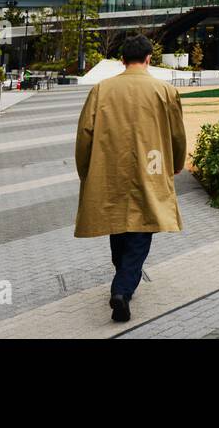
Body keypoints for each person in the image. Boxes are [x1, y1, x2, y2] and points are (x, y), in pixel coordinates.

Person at [74, 33, 186, 324]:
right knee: (142, 226)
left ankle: (122, 278)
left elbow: (84, 134)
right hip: (151, 167)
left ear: (121, 60)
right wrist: (176, 162)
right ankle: (122, 288)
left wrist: (85, 170)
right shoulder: (164, 90)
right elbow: (176, 133)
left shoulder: (102, 89)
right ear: (149, 58)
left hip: (110, 169)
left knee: (118, 222)